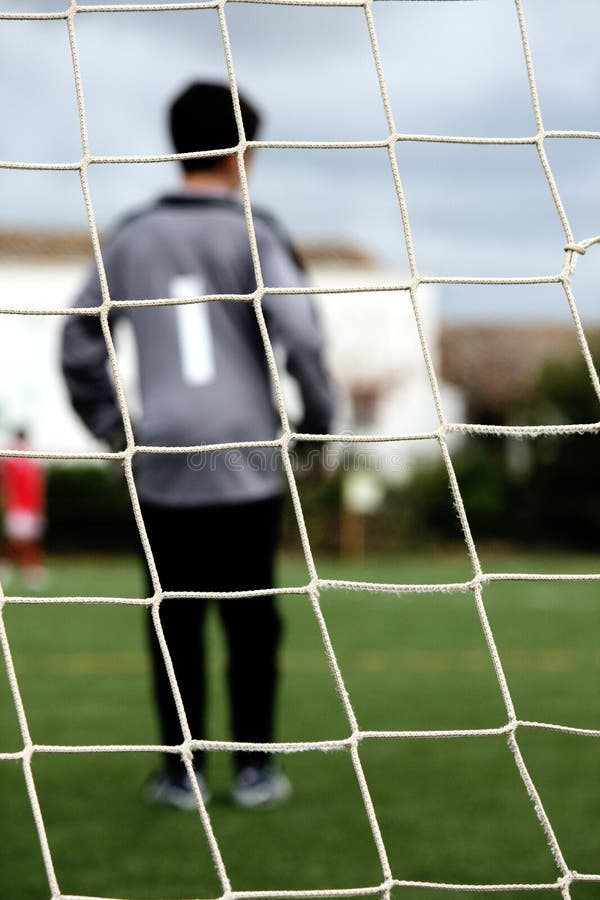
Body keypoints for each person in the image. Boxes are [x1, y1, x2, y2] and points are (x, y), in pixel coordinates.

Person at [61, 82, 335, 810]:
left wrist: (112, 426)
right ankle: (254, 771)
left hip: (162, 458)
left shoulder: (131, 235)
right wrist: (318, 426)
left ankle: (181, 774)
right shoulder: (257, 231)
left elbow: (79, 336)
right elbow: (302, 333)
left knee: (173, 617)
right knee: (251, 620)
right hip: (245, 457)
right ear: (243, 152)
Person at [0, 427, 46, 590]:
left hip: (29, 506)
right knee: (17, 541)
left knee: (29, 541)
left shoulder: (31, 455)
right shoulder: (11, 456)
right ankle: (13, 568)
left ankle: (30, 570)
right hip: (19, 506)